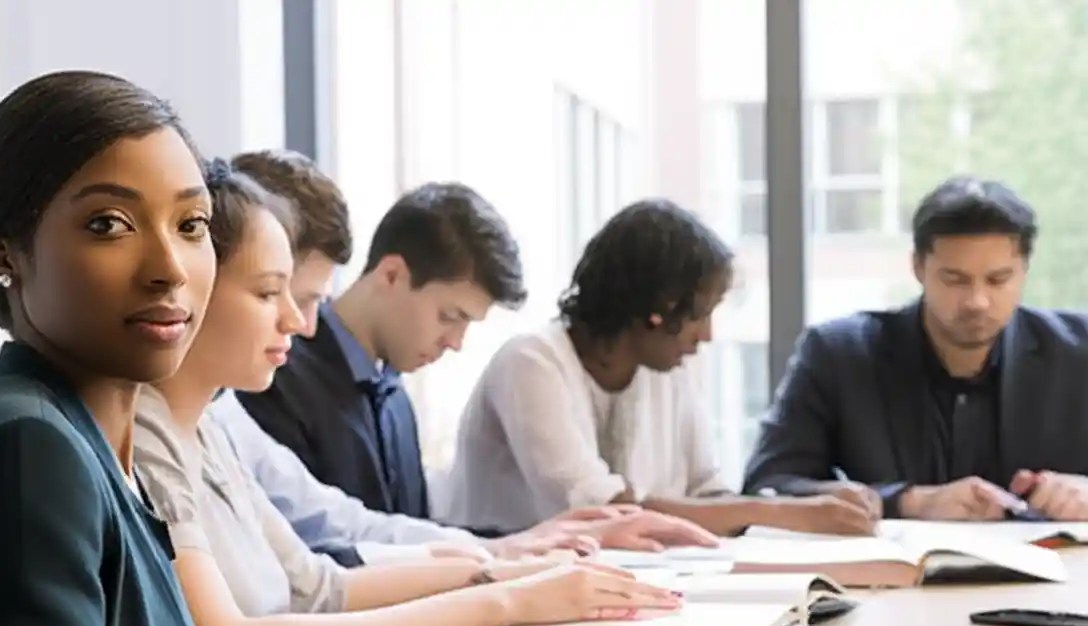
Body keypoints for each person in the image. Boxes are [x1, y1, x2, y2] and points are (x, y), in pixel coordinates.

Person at [0, 70, 563, 626]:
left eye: (190, 226)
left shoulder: (84, 435)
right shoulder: (25, 455)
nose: (169, 267)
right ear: (3, 257)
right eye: (109, 224)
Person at [133, 164, 682, 626]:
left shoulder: (213, 427)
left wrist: (499, 570)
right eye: (270, 293)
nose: (299, 323)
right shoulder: (157, 429)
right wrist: (502, 595)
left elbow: (319, 584)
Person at [221, 150, 714, 565]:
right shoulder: (274, 373)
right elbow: (316, 559)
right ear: (392, 275)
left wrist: (523, 545)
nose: (454, 342)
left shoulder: (390, 395)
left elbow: (377, 529)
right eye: (449, 316)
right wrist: (507, 557)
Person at [438, 199, 878, 537]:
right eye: (699, 314)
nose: (706, 335)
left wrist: (810, 501)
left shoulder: (666, 371)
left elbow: (708, 493)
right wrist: (783, 512)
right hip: (504, 584)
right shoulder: (531, 363)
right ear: (657, 307)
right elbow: (608, 514)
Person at [744, 176, 1088, 522]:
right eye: (955, 279)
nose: (977, 301)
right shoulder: (838, 354)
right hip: (892, 559)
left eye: (998, 280)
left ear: (1025, 270)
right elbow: (767, 487)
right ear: (918, 267)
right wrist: (908, 502)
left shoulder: (1079, 352)